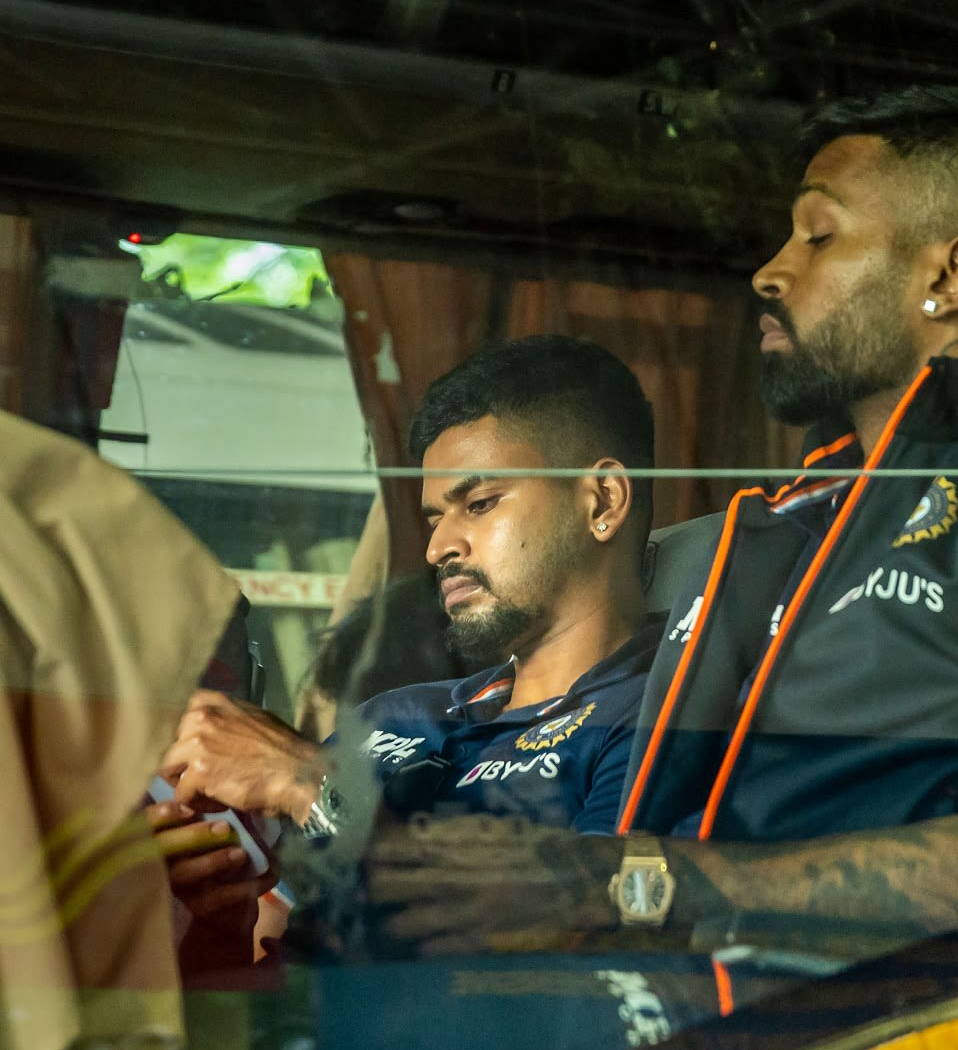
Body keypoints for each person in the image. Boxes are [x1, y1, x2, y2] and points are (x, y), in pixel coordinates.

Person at [364, 85, 958, 953]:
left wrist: (629, 884)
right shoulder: (804, 514)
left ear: (950, 276)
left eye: (818, 236)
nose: (769, 272)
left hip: (856, 1004)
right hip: (672, 977)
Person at [158, 335, 661, 840]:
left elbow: (589, 892)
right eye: (435, 519)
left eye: (480, 504)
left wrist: (309, 786)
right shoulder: (396, 715)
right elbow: (291, 877)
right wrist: (231, 881)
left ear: (601, 501)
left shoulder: (659, 722)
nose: (437, 548)